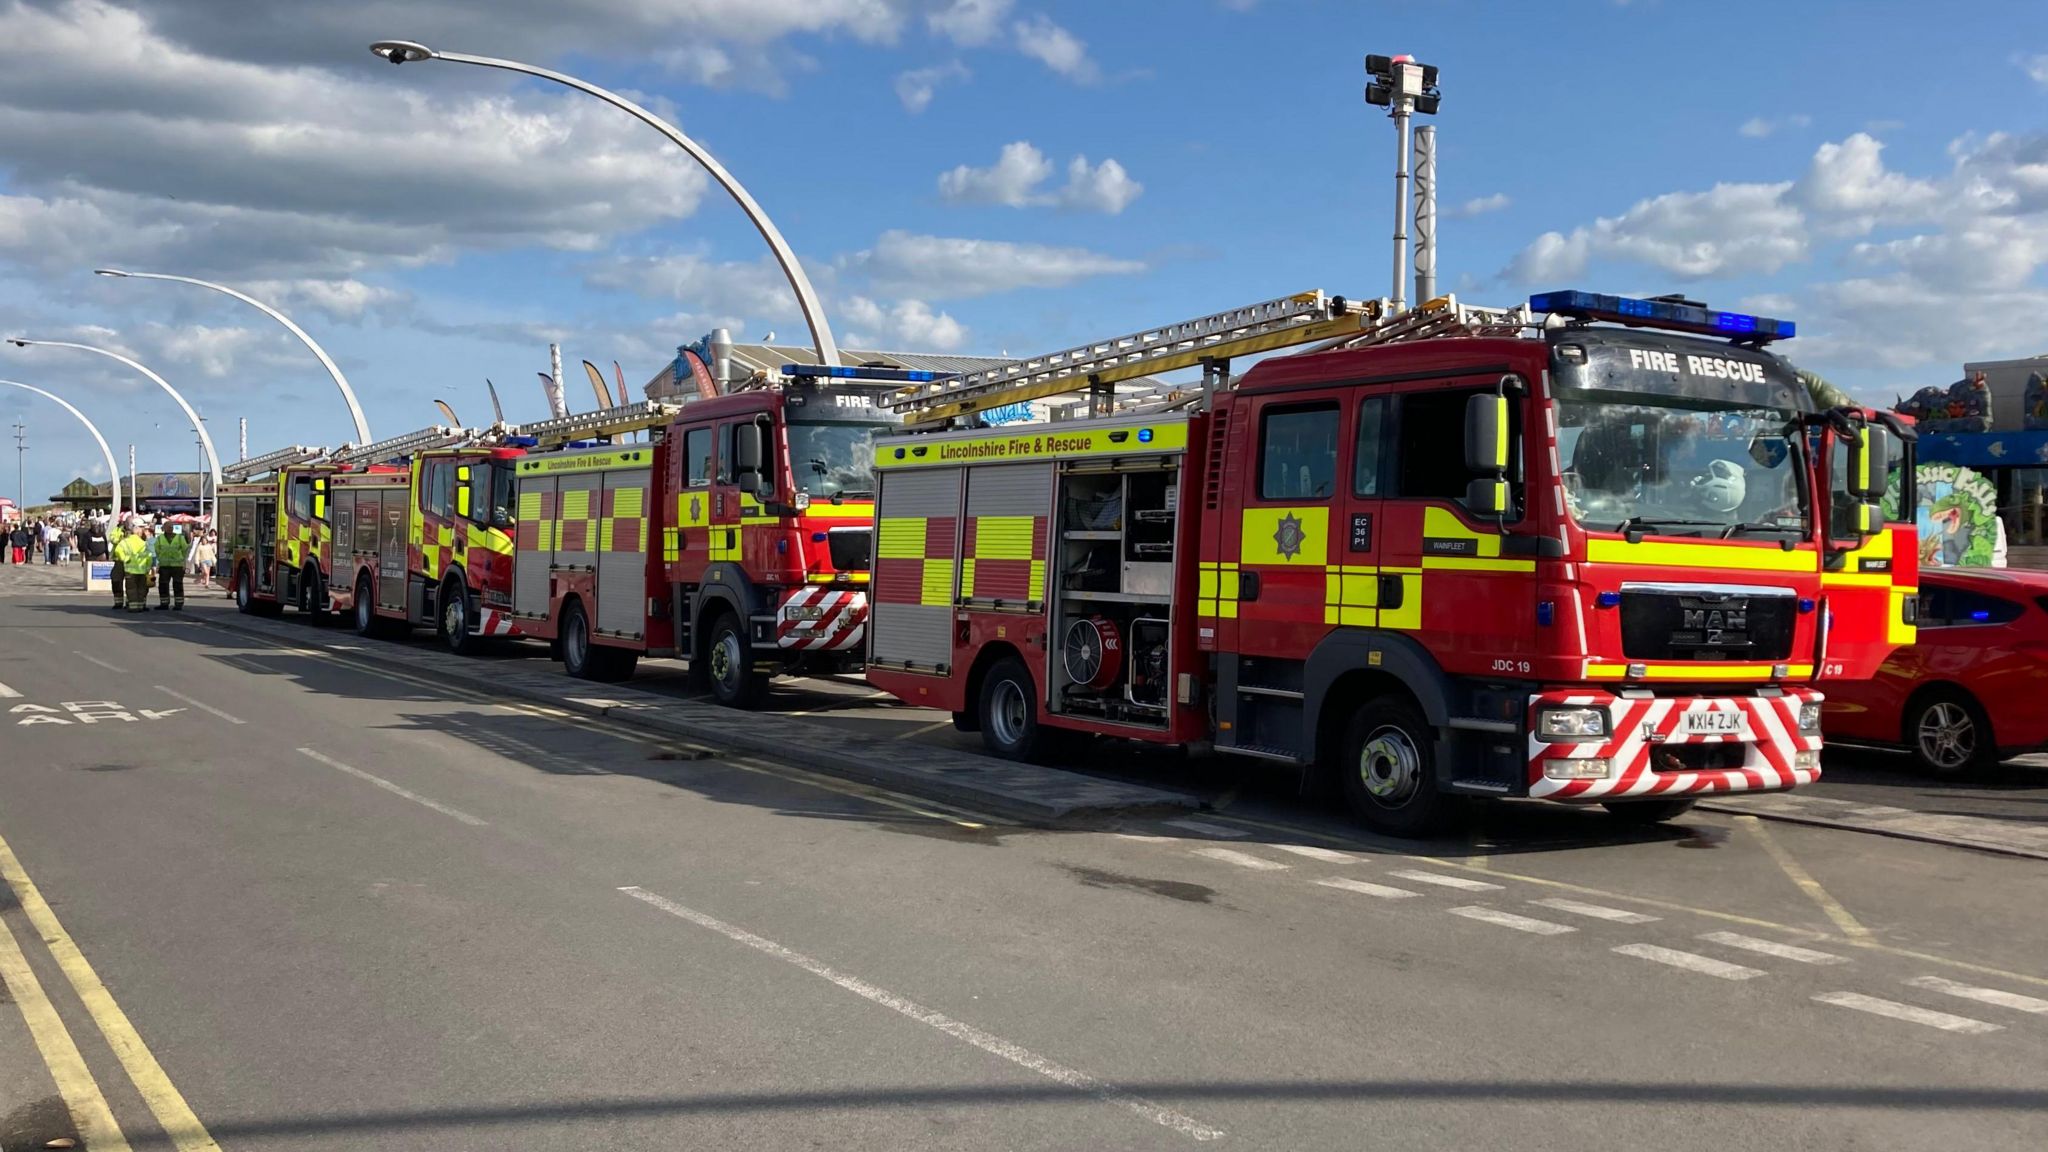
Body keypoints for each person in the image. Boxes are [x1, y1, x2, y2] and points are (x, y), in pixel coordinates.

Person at [114, 523, 152, 612]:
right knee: (141, 589)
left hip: (130, 570)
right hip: (142, 570)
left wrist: (125, 559)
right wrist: (148, 568)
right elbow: (149, 556)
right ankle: (140, 606)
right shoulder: (144, 543)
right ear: (139, 533)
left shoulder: (125, 542)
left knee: (131, 589)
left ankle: (133, 607)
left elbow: (117, 551)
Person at [154, 524, 190, 610]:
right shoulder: (159, 538)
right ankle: (164, 603)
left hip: (177, 565)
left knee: (177, 585)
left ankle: (178, 604)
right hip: (164, 565)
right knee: (163, 585)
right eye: (168, 527)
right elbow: (157, 550)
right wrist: (161, 559)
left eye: (171, 527)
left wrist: (183, 561)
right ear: (164, 529)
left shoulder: (179, 538)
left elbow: (185, 549)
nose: (170, 528)